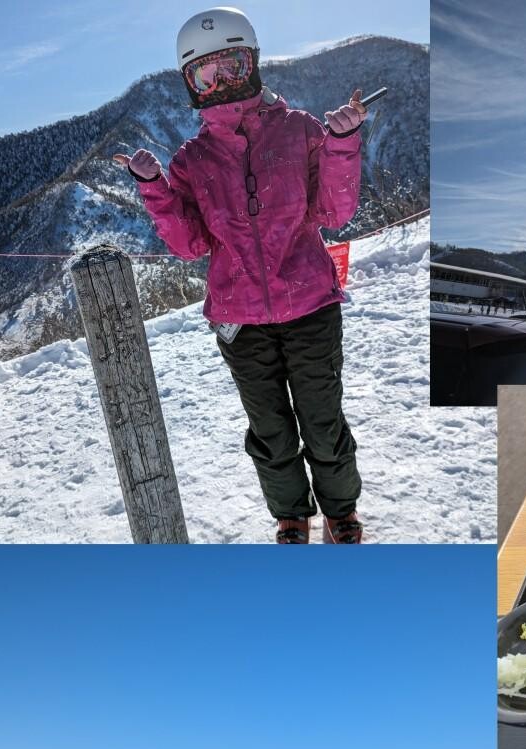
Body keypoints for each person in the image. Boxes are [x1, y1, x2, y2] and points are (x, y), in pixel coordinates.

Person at [114, 7, 368, 544]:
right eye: (206, 74)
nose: (221, 84)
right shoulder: (192, 159)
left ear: (252, 63)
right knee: (271, 429)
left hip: (312, 306)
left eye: (230, 66)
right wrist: (156, 187)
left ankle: (340, 512)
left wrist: (343, 144)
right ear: (190, 84)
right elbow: (188, 245)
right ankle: (290, 516)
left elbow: (335, 212)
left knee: (323, 420)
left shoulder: (300, 131)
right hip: (239, 319)